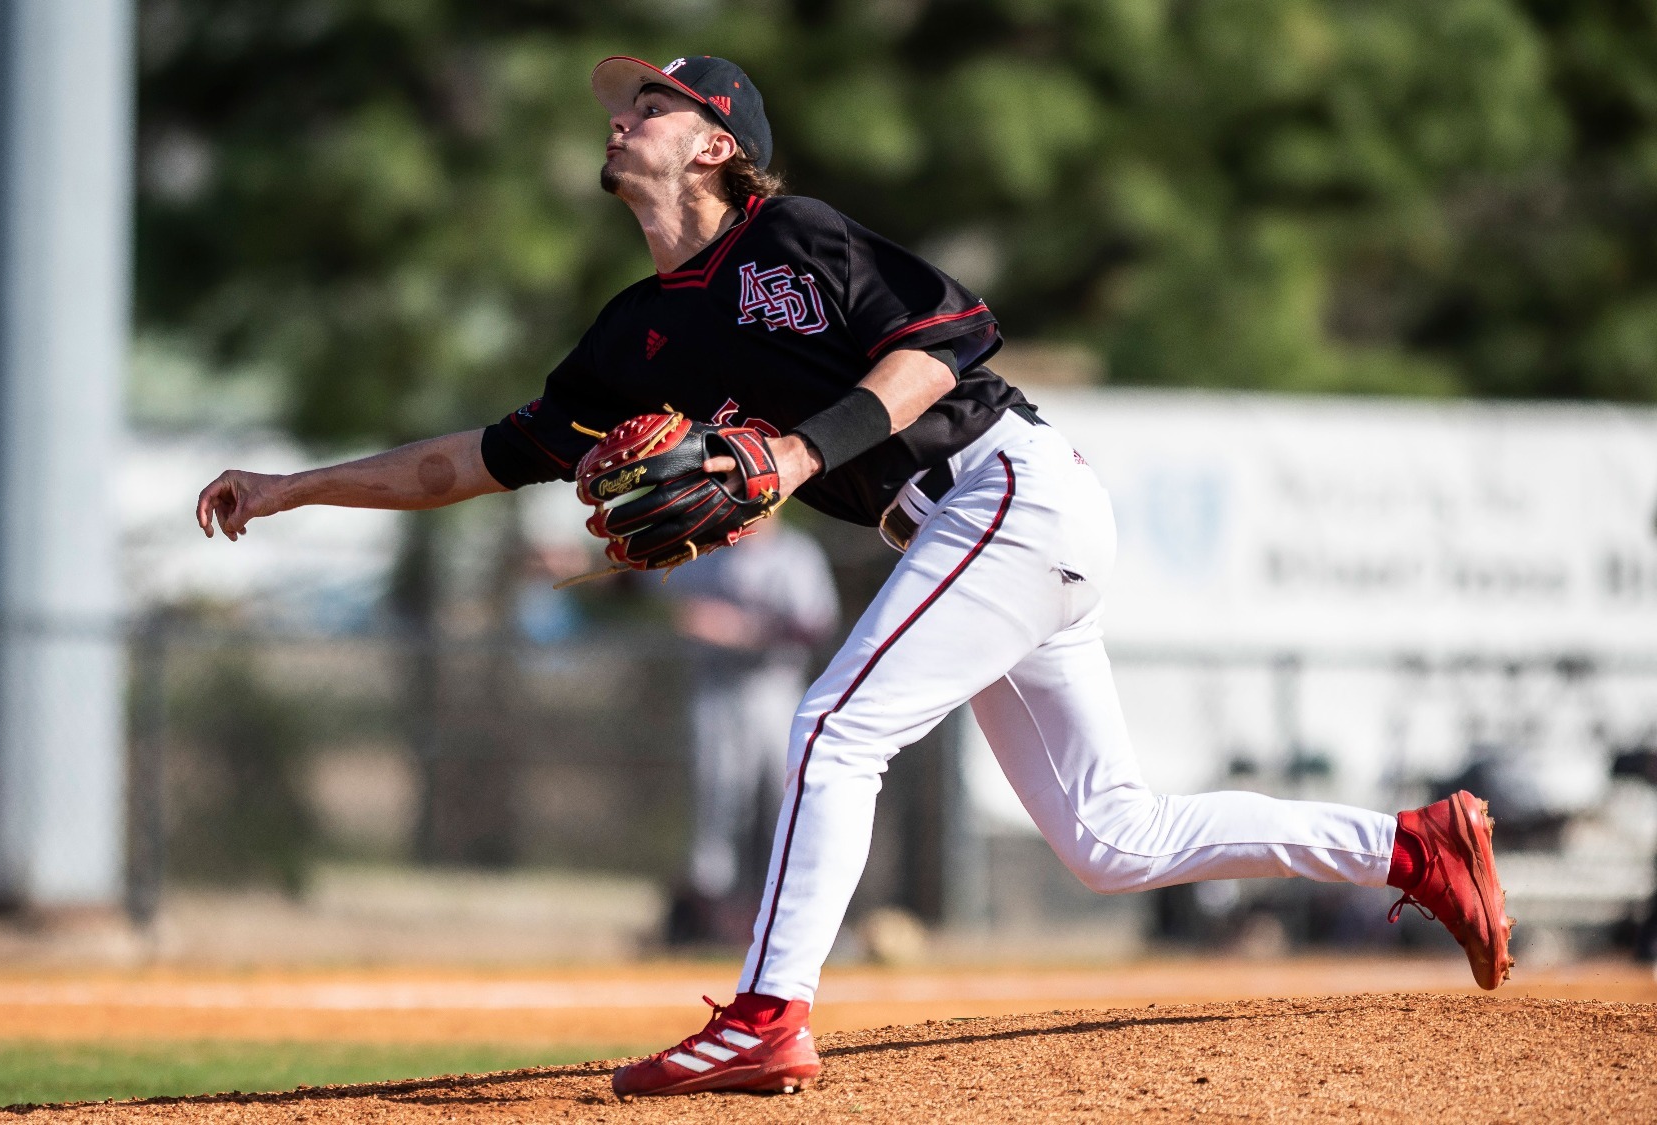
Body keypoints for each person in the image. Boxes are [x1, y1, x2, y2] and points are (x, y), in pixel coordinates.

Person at [196, 54, 1514, 1100]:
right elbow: (477, 459)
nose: (619, 117)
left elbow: (951, 341)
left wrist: (792, 455)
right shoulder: (635, 336)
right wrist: (294, 485)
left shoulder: (796, 240)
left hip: (1005, 489)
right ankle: (1407, 843)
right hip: (982, 531)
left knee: (832, 723)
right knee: (1112, 839)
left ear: (715, 142)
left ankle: (769, 1016)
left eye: (649, 101)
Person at [659, 521, 838, 944]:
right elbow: (638, 584)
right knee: (719, 803)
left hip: (776, 691)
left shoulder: (796, 553)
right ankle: (711, 921)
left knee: (785, 802)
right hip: (716, 690)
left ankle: (787, 917)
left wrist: (742, 629)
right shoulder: (706, 548)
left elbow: (815, 627)